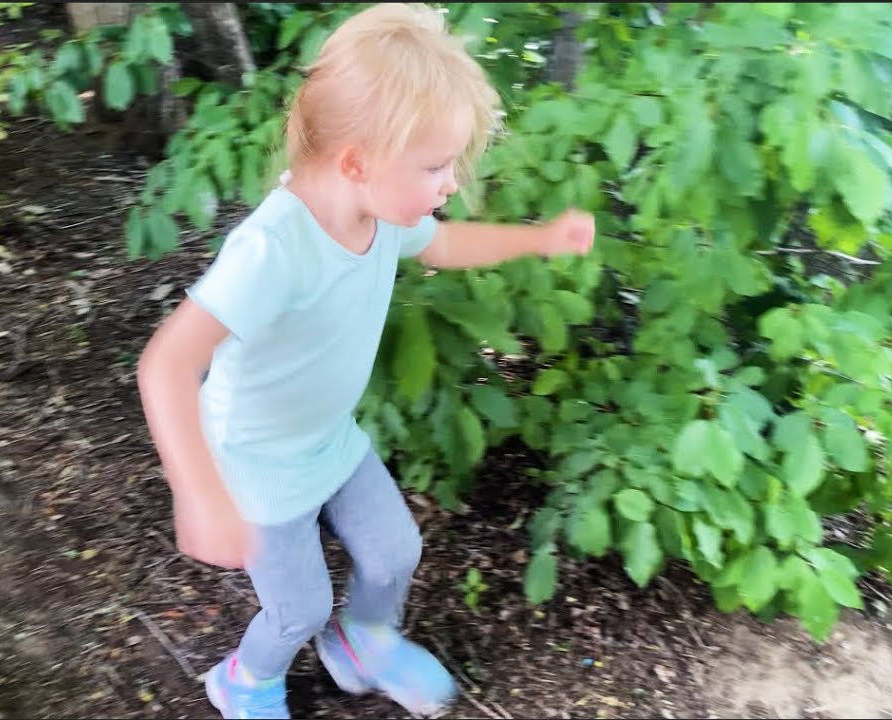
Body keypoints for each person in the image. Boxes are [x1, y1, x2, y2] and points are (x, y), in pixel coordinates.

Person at [135, 3, 595, 718]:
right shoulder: (272, 252)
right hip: (256, 463)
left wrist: (538, 239)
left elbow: (444, 246)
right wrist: (200, 494)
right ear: (357, 161)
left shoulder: (381, 215)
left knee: (394, 553)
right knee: (299, 608)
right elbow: (165, 365)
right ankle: (245, 681)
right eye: (436, 166)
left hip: (329, 439)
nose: (448, 184)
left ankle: (364, 644)